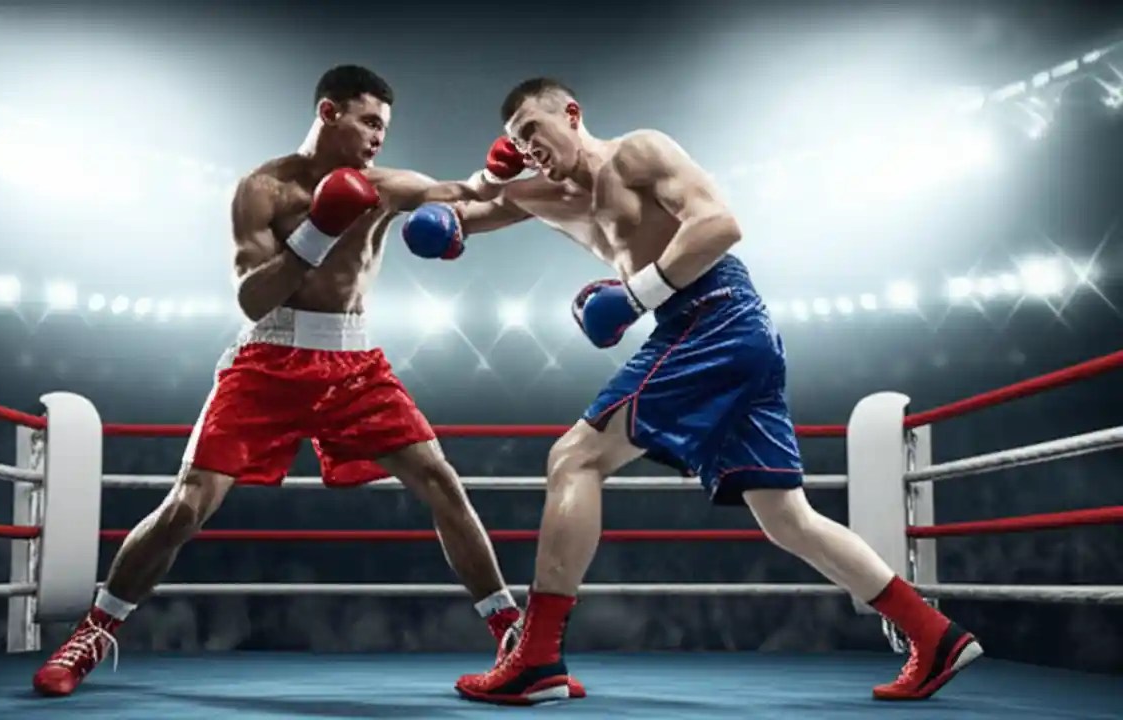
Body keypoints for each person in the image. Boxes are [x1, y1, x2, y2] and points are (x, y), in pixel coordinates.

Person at [402, 77, 984, 705]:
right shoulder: (538, 193)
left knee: (574, 458)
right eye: (516, 141)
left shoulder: (636, 153)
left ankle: (537, 659)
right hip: (714, 330)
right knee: (787, 519)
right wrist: (472, 192)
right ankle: (934, 635)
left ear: (570, 113)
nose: (527, 147)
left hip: (717, 313)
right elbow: (461, 212)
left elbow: (719, 225)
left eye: (532, 130)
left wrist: (633, 297)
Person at [32, 65, 584, 699]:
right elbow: (251, 297)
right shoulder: (261, 189)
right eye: (368, 121)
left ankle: (512, 634)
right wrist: (319, 229)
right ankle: (92, 633)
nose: (378, 136)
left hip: (354, 363)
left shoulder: (385, 187)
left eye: (384, 126)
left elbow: (471, 194)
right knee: (188, 503)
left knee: (441, 483)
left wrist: (513, 172)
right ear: (329, 113)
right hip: (268, 360)